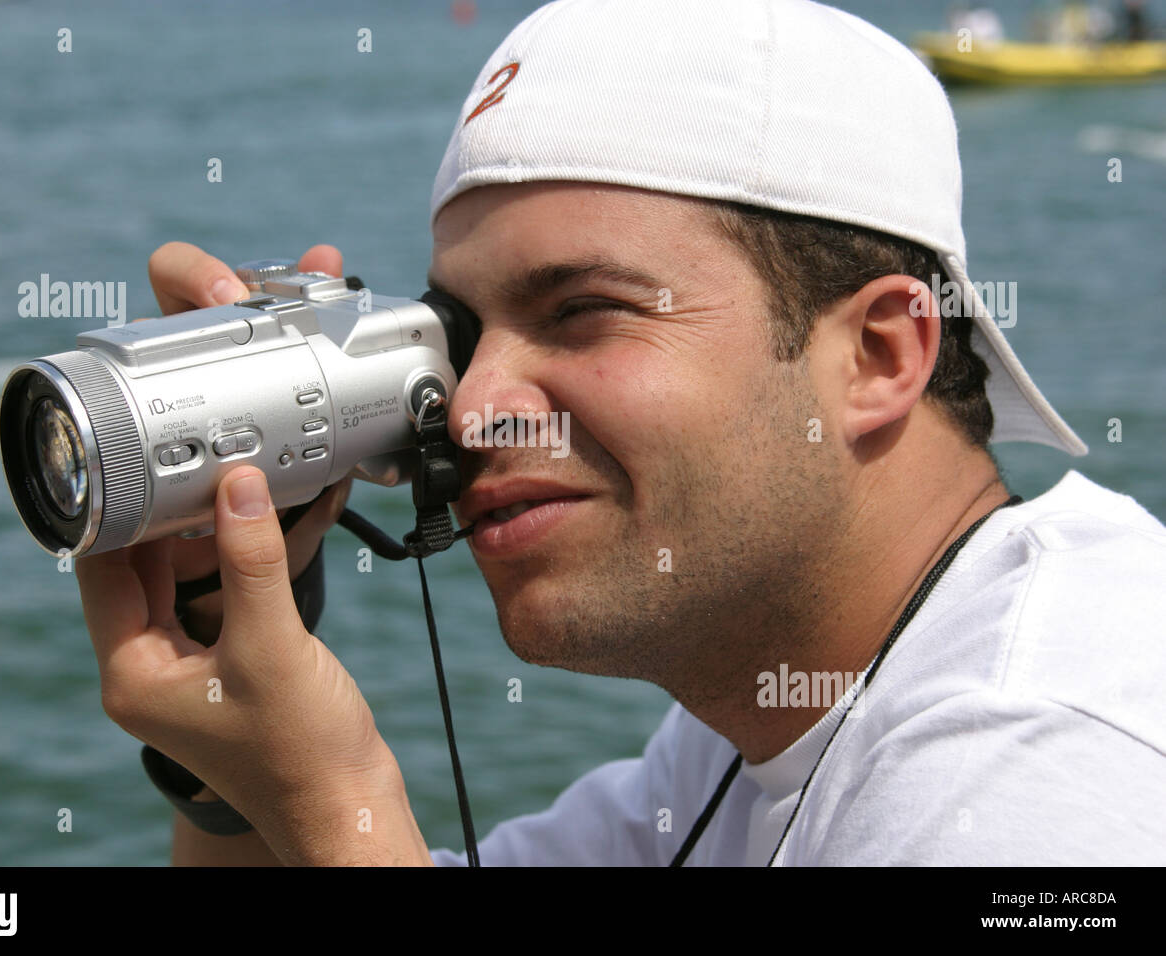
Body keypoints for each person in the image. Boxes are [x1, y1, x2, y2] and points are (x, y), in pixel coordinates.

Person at [75, 0, 1166, 865]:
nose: (469, 405)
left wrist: (339, 798)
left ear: (878, 355)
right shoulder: (750, 728)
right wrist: (228, 715)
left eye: (580, 311)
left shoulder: (1050, 767)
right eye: (455, 333)